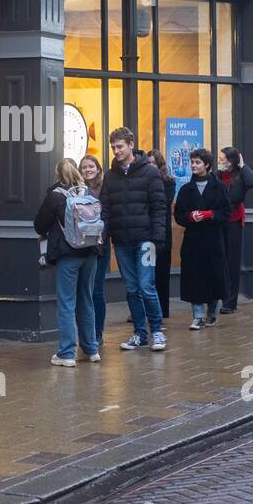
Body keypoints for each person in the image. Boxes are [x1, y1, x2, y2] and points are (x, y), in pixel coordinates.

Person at [100, 127, 168, 352]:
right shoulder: (110, 176)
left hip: (146, 240)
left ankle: (157, 331)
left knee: (146, 285)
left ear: (131, 145)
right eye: (113, 147)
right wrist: (104, 237)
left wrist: (158, 237)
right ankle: (140, 333)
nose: (116, 151)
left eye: (119, 146)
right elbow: (106, 210)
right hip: (122, 241)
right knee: (131, 288)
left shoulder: (150, 173)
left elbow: (159, 207)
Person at [34, 158, 102, 366]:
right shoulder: (88, 193)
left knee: (66, 303)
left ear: (57, 173)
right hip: (90, 253)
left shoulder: (55, 196)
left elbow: (39, 225)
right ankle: (91, 350)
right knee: (86, 300)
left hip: (68, 254)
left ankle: (66, 353)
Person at [174, 148, 232, 329]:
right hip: (193, 241)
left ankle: (212, 312)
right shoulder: (185, 190)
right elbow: (179, 215)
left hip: (213, 240)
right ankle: (197, 316)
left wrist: (209, 215)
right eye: (192, 162)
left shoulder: (220, 187)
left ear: (207, 165)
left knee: (213, 277)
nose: (193, 165)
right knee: (195, 278)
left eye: (197, 162)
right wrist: (190, 217)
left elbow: (226, 213)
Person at [217, 147, 253, 312]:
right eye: (220, 158)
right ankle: (220, 296)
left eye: (223, 158)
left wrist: (243, 166)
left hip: (234, 221)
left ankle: (230, 302)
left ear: (232, 160)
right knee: (221, 260)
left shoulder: (241, 175)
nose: (221, 161)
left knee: (232, 262)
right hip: (219, 220)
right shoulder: (218, 175)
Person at [79, 154, 109, 347]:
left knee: (96, 289)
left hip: (100, 246)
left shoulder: (104, 189)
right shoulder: (78, 190)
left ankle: (97, 332)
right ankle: (86, 332)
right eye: (84, 167)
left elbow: (107, 216)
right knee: (84, 290)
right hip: (81, 247)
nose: (88, 170)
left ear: (98, 169)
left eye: (91, 166)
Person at [146, 149, 176, 319]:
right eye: (148, 163)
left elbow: (163, 203)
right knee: (147, 275)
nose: (151, 166)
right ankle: (146, 310)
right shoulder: (143, 182)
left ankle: (163, 310)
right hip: (146, 234)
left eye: (153, 163)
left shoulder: (168, 183)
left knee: (162, 274)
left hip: (163, 234)